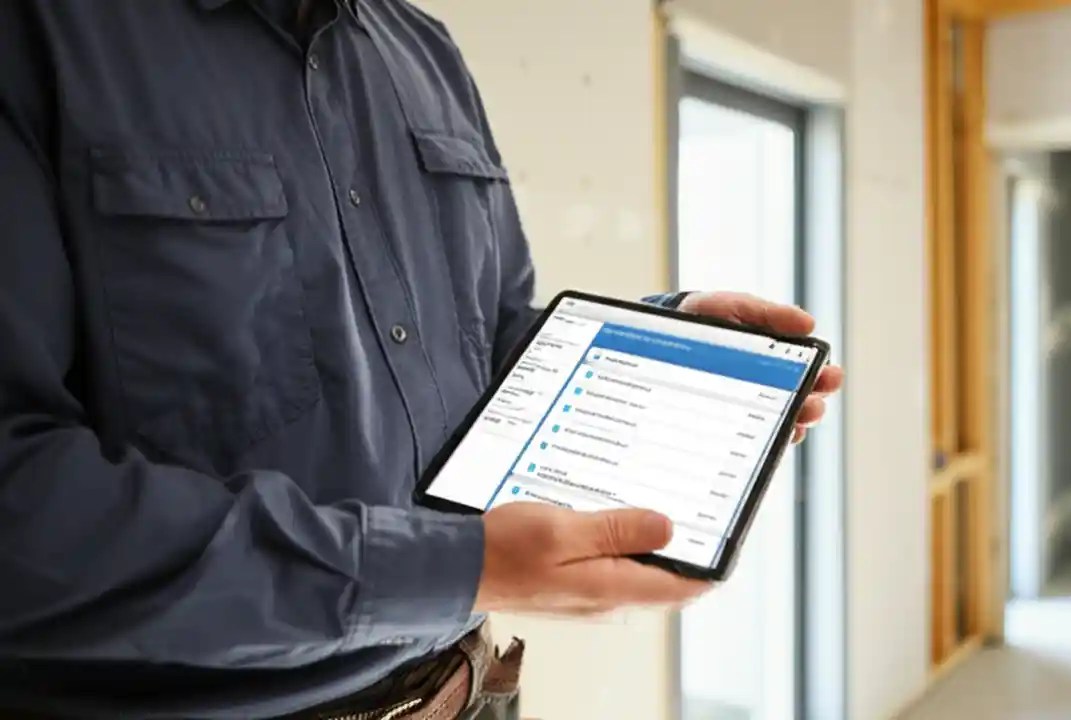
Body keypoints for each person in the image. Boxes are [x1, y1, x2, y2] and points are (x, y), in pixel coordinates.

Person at [0, 1, 844, 718]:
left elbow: (485, 339)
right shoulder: (42, 36)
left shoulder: (420, 50)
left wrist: (659, 342)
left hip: (473, 687)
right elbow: (20, 505)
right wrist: (457, 567)